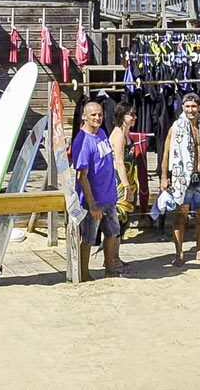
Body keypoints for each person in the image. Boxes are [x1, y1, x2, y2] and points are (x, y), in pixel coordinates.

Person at [157, 92, 200, 267]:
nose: (191, 110)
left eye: (194, 106)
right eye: (187, 106)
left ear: (199, 107)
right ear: (182, 107)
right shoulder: (176, 127)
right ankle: (179, 253)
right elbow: (166, 152)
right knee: (180, 216)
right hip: (181, 178)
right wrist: (164, 177)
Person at [69, 100, 119, 281]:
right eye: (93, 115)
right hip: (93, 200)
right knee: (89, 238)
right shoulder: (82, 142)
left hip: (109, 197)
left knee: (113, 233)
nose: (97, 118)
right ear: (84, 116)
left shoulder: (103, 132)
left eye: (99, 114)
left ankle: (110, 268)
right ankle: (83, 273)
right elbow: (82, 176)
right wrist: (92, 205)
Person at [109, 102, 140, 250]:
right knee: (118, 220)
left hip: (128, 180)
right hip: (120, 184)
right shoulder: (119, 135)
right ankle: (112, 258)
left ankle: (115, 256)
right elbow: (119, 163)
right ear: (122, 116)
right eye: (131, 114)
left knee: (124, 221)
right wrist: (127, 186)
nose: (134, 117)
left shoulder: (126, 133)